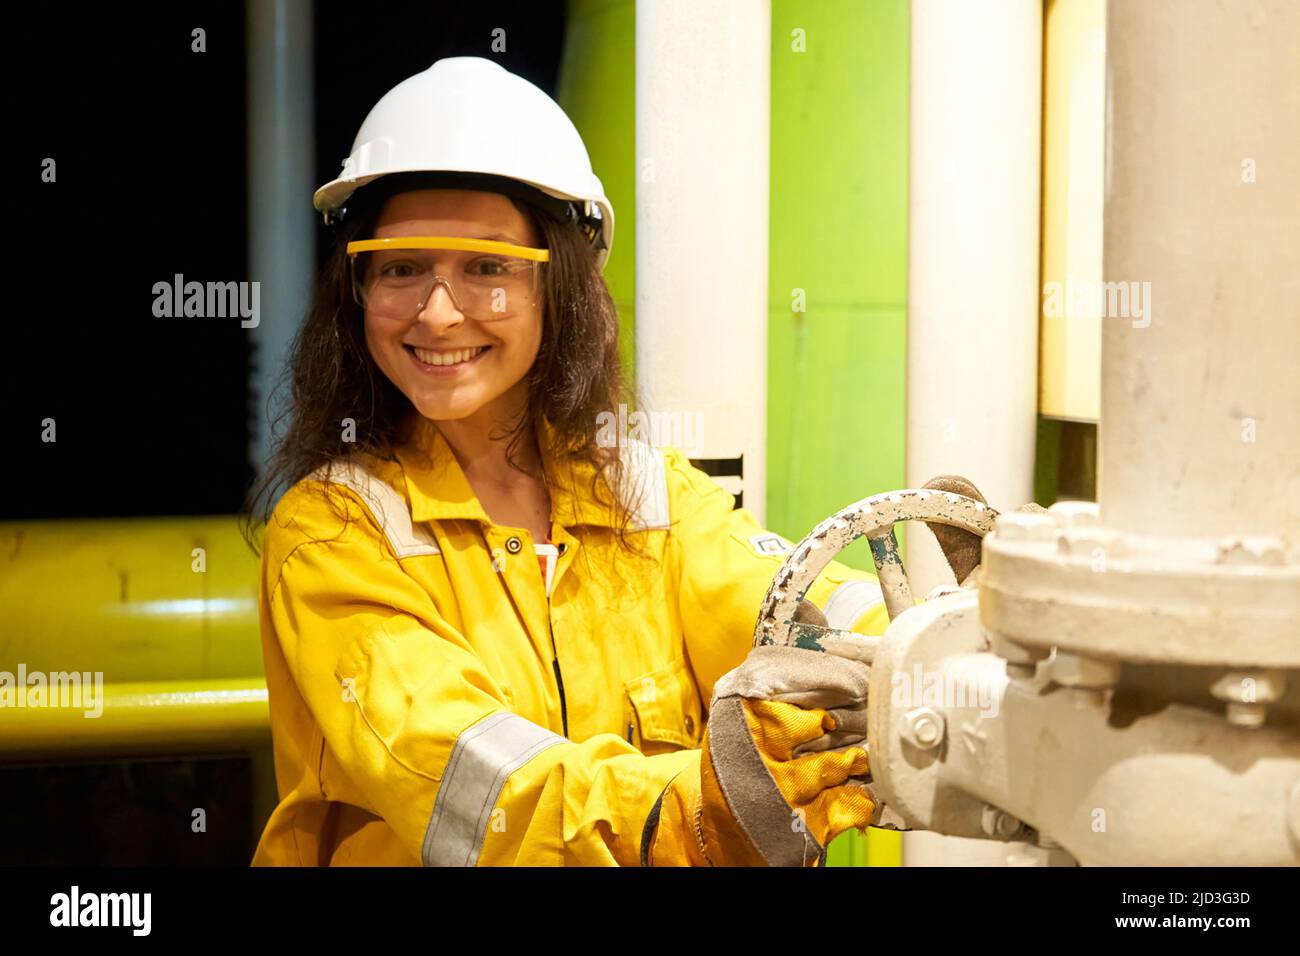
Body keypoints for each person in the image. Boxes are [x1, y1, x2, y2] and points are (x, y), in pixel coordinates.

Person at [244, 56, 891, 867]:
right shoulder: (334, 534)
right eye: (403, 268)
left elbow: (793, 605)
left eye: (488, 268)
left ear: (567, 282)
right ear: (359, 287)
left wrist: (925, 642)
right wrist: (694, 807)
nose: (439, 313)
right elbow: (479, 791)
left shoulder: (646, 497)